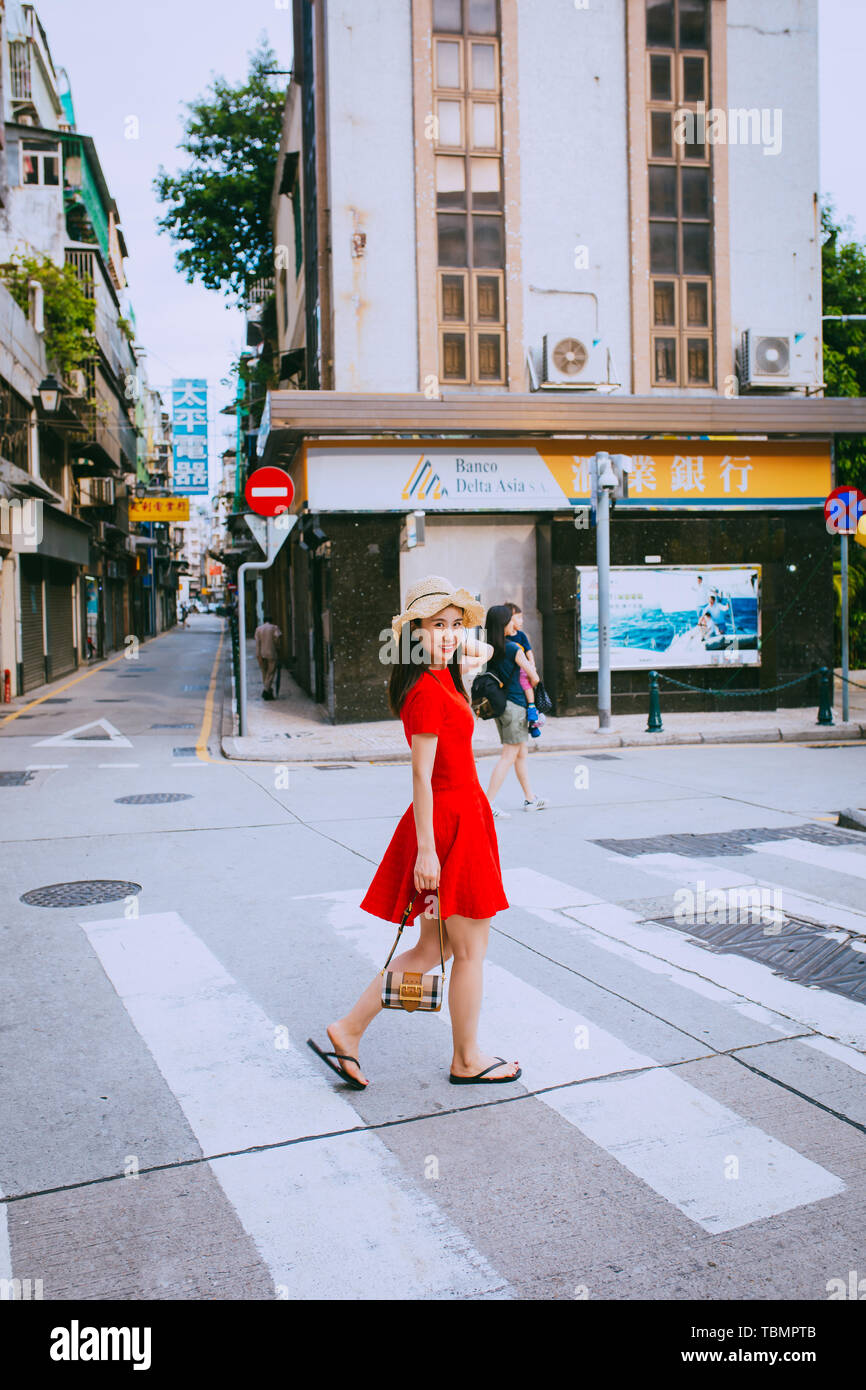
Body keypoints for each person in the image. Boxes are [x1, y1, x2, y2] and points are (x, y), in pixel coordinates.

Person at [307, 575, 521, 1089]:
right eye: (435, 626)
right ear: (413, 635)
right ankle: (467, 1059)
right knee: (469, 952)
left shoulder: (447, 678)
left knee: (434, 950)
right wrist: (427, 852)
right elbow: (421, 776)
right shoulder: (426, 691)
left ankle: (349, 1029)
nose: (448, 635)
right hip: (447, 828)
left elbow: (483, 644)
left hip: (461, 820)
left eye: (453, 625)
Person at [484, 604, 546, 818]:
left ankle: (530, 798)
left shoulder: (490, 648)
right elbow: (534, 677)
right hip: (516, 706)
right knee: (509, 755)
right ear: (503, 624)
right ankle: (487, 803)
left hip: (501, 706)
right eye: (511, 620)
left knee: (520, 753)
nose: (514, 624)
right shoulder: (513, 649)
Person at [254, 614, 282, 700]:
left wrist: (258, 653)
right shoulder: (274, 628)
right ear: (272, 620)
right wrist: (278, 647)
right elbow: (277, 638)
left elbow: (257, 641)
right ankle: (266, 690)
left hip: (260, 653)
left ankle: (268, 691)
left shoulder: (258, 629)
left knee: (264, 672)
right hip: (271, 653)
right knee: (271, 672)